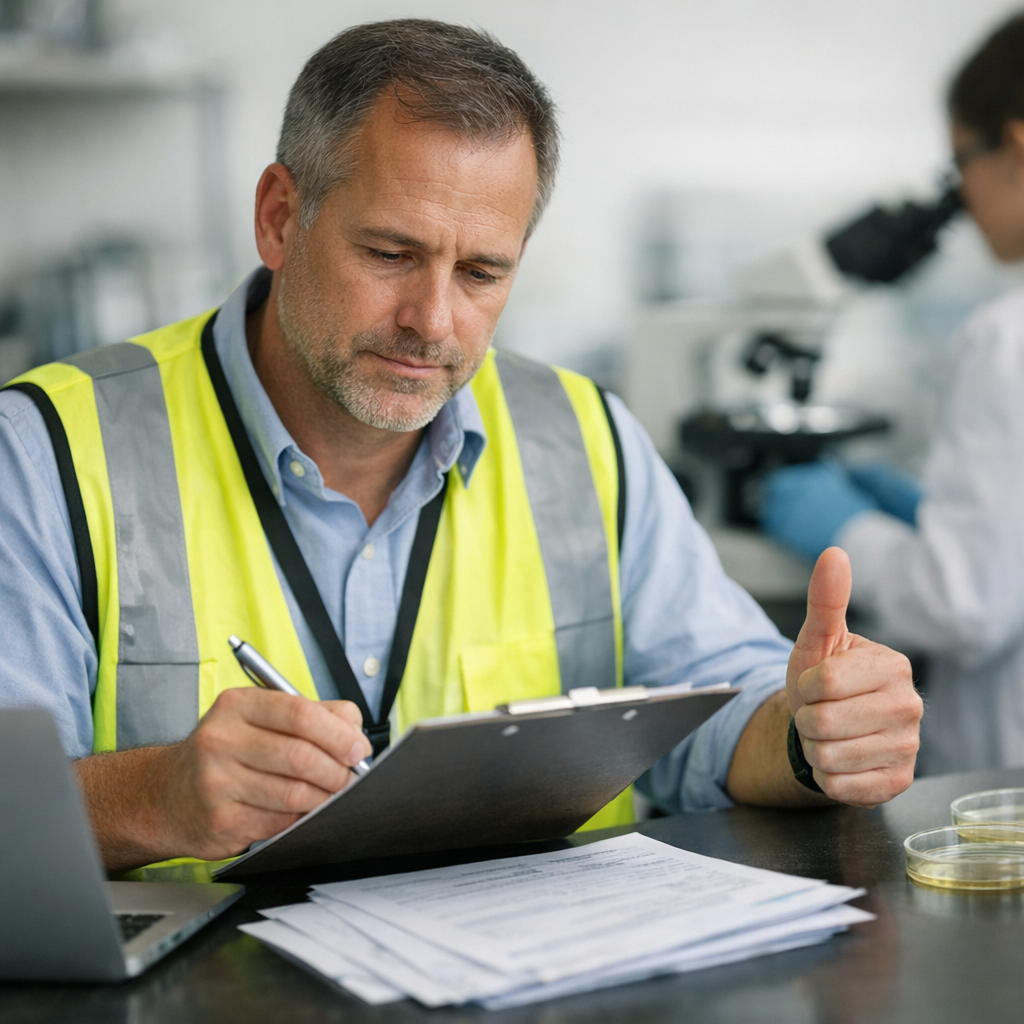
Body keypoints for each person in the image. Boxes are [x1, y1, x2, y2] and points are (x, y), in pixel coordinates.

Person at [0, 20, 921, 873]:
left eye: (482, 272)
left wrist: (812, 731)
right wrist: (155, 799)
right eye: (391, 254)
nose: (432, 321)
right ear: (281, 216)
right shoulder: (47, 454)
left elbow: (715, 724)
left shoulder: (582, 436)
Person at [761, 12, 1024, 775]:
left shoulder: (1006, 336)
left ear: (1014, 143)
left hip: (1002, 780)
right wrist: (924, 517)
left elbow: (962, 605)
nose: (961, 198)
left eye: (960, 163)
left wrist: (846, 528)